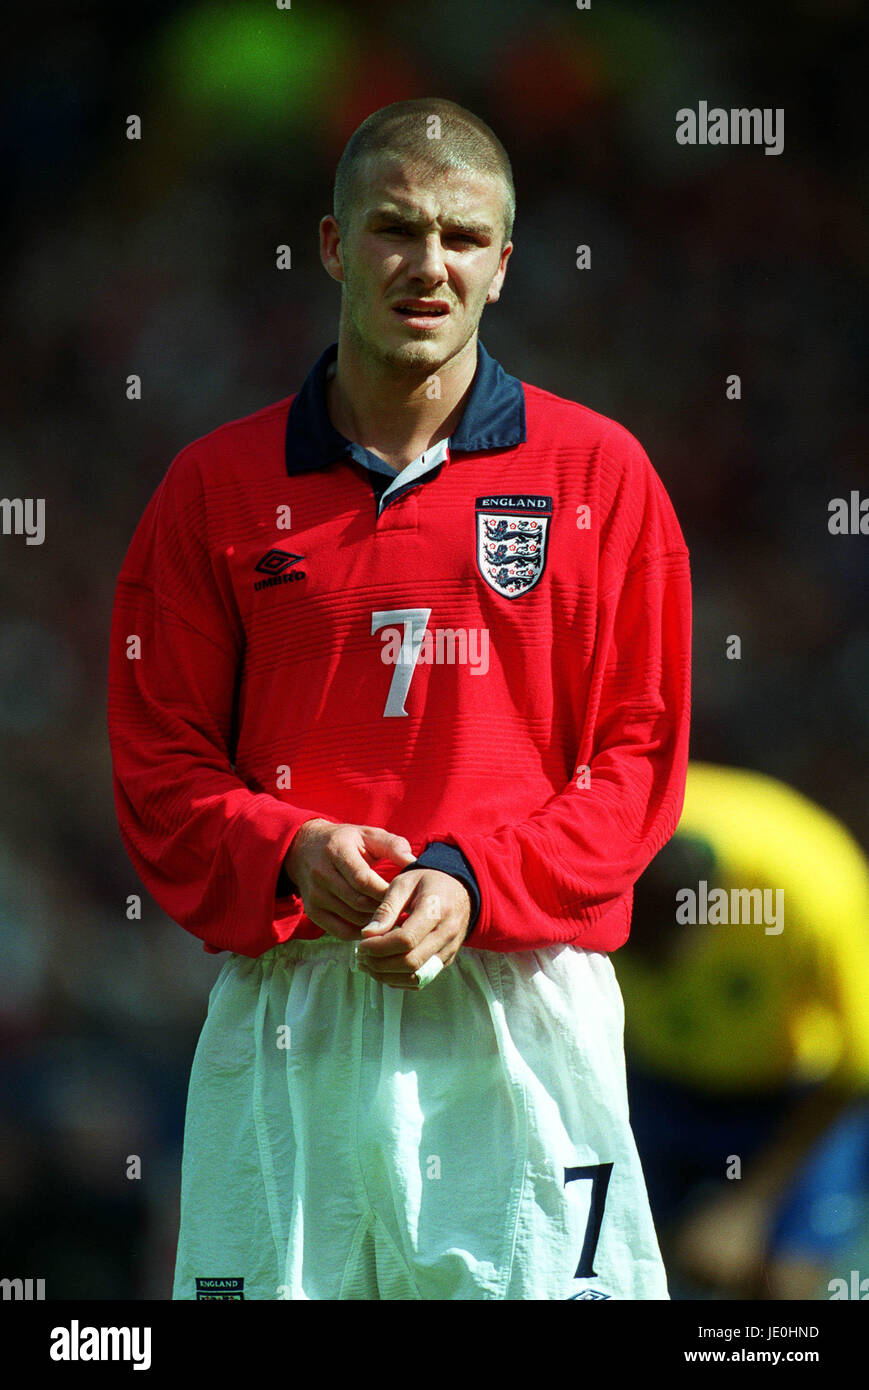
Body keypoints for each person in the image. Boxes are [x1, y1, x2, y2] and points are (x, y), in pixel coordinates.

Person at [107, 97, 692, 1301]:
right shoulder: (212, 490)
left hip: (521, 1012)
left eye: (462, 238)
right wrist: (288, 847)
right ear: (332, 245)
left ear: (502, 266)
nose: (428, 264)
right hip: (293, 1014)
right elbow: (158, 769)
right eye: (394, 229)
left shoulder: (599, 476)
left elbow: (637, 768)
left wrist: (474, 877)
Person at [616, 762, 869, 1300]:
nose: (650, 973)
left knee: (786, 1285)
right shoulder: (601, 835)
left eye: (658, 949)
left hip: (790, 1100)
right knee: (631, 1263)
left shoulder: (812, 884)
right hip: (656, 1083)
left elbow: (859, 1064)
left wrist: (749, 1204)